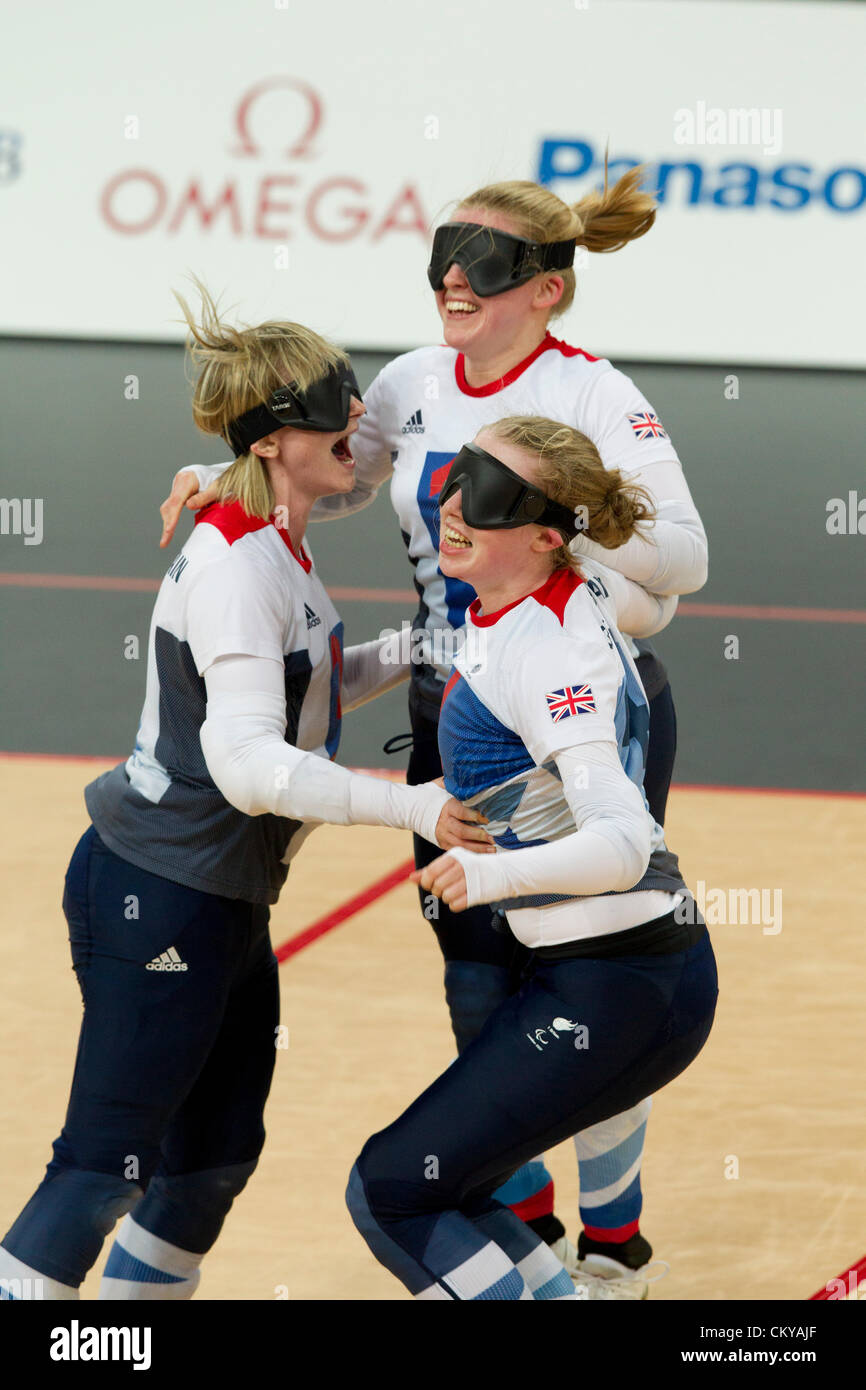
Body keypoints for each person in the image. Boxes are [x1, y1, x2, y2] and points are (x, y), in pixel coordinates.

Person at [158, 164, 708, 1283]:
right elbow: (323, 471)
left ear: (546, 289)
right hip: (451, 700)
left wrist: (556, 521)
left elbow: (684, 562)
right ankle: (527, 1227)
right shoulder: (412, 381)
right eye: (444, 255)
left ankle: (614, 1245)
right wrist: (228, 479)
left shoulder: (596, 393)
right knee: (477, 987)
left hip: (566, 696)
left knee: (587, 964)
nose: (453, 279)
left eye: (486, 263)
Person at [0, 287, 490, 1301]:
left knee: (210, 1162)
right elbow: (252, 766)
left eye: (354, 400)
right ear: (273, 442)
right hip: (157, 889)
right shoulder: (236, 566)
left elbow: (303, 684)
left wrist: (424, 645)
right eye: (331, 412)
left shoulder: (276, 535)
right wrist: (407, 806)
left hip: (221, 899)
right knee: (101, 1167)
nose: (355, 421)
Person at [345, 417, 718, 1300]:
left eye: (486, 493)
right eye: (457, 476)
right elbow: (656, 600)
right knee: (440, 1179)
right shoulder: (558, 586)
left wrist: (489, 874)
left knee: (392, 1191)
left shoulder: (552, 653)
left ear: (546, 535)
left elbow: (626, 843)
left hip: (622, 982)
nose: (451, 506)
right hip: (617, 973)